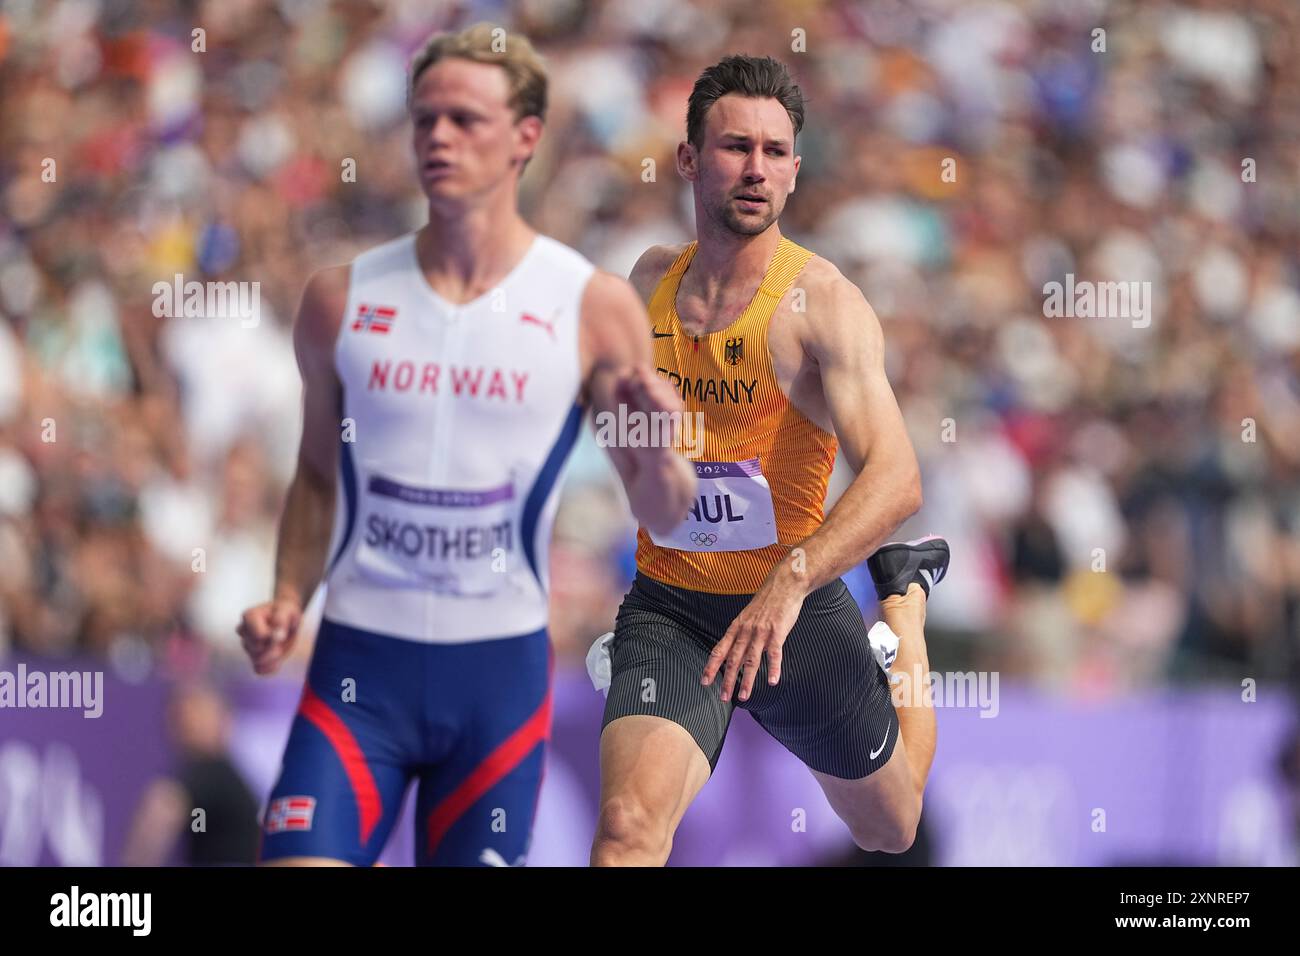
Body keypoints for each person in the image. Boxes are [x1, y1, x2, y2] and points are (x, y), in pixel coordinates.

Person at [237, 22, 694, 867]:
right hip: (356, 675)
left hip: (495, 685)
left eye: (465, 120)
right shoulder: (340, 300)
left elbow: (665, 517)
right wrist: (287, 594)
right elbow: (312, 473)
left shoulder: (590, 305)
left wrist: (661, 446)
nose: (438, 138)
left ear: (525, 137)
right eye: (424, 119)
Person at [591, 55, 949, 866]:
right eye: (735, 147)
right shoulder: (647, 283)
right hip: (671, 609)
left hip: (792, 608)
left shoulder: (821, 303)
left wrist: (789, 583)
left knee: (890, 828)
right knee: (624, 834)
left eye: (776, 152)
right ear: (688, 158)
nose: (757, 169)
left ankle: (906, 605)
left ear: (794, 169)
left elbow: (898, 479)